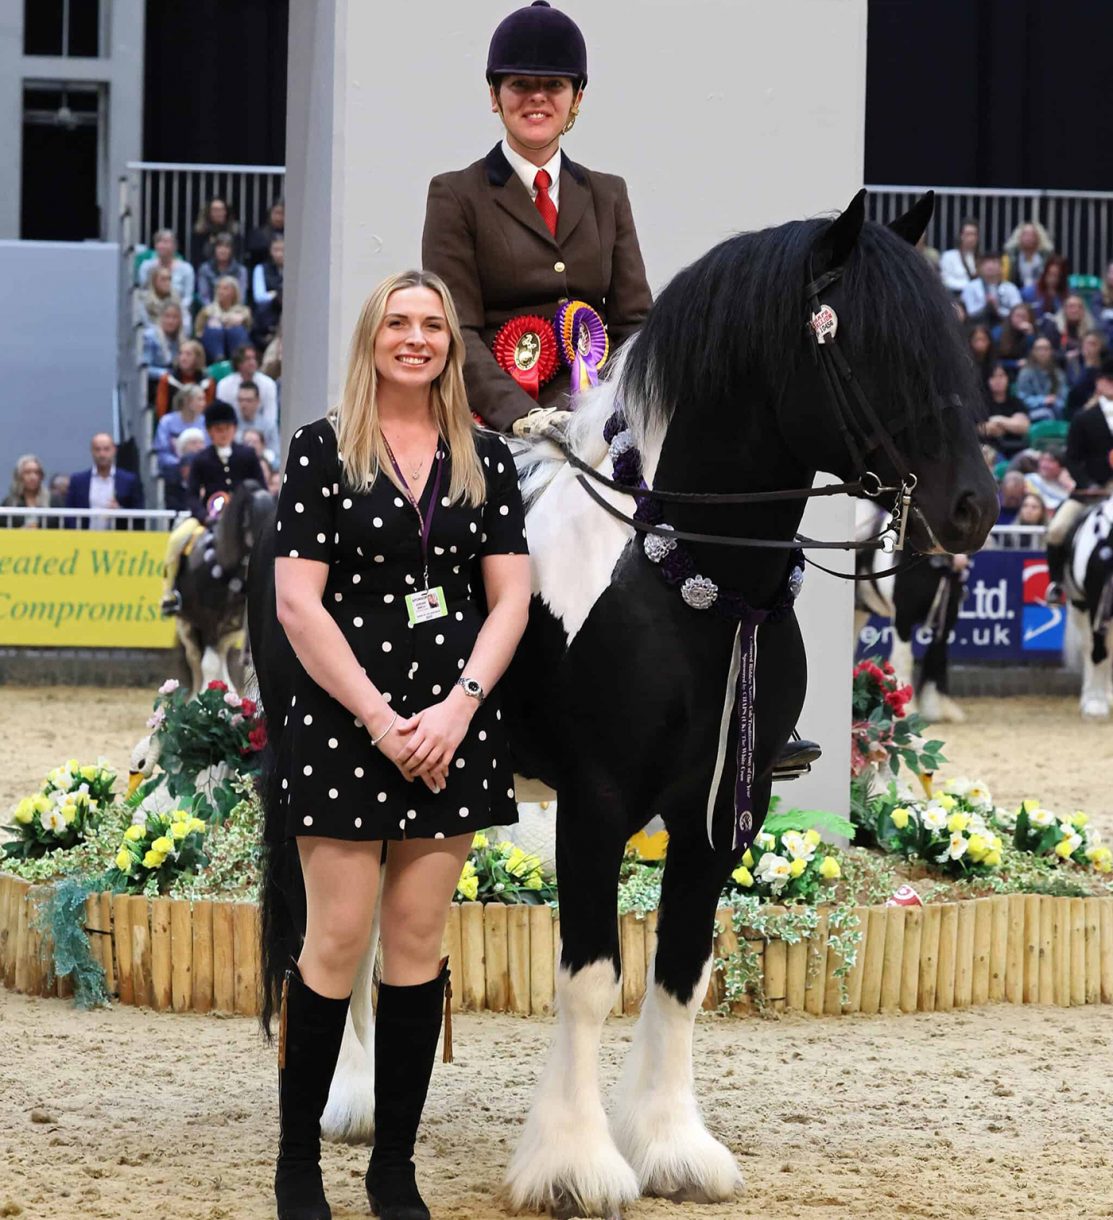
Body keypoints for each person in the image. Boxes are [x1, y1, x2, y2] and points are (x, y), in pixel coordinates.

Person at [269, 269, 530, 1220]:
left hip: (449, 730)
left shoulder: (486, 457)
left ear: (450, 345)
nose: (414, 338)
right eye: (397, 323)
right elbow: (298, 602)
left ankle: (395, 1169)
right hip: (349, 725)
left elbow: (509, 600)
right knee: (334, 940)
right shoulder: (320, 449)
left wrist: (458, 708)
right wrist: (381, 719)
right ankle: (298, 1166)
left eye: (431, 325)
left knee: (417, 945)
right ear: (371, 339)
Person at [421, 0, 652, 435]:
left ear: (576, 97)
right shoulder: (455, 194)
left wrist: (615, 408)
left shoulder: (608, 194)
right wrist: (523, 415)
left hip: (599, 419)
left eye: (554, 85)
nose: (537, 97)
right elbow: (458, 330)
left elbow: (634, 326)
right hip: (496, 423)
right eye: (520, 84)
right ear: (495, 95)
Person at [159, 400, 267, 614]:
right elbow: (190, 494)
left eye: (227, 428)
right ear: (210, 431)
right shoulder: (201, 459)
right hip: (209, 517)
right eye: (218, 430)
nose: (223, 433)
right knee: (176, 539)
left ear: (234, 428)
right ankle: (170, 593)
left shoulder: (247, 456)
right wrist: (202, 516)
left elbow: (260, 488)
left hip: (242, 519)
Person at [1045, 359, 1113, 604]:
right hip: (1091, 491)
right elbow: (1072, 459)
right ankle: (1056, 583)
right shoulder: (1083, 418)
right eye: (1109, 380)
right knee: (1056, 530)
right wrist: (1088, 483)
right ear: (1100, 383)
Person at [64, 433, 144, 530]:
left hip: (118, 541)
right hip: (84, 541)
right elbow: (69, 514)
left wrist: (120, 511)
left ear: (114, 450)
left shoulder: (129, 480)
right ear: (92, 451)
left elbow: (139, 514)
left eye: (106, 449)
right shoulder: (78, 481)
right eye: (97, 449)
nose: (102, 454)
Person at [216, 343, 280, 425]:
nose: (252, 362)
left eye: (253, 358)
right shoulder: (224, 385)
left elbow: (270, 416)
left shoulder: (268, 384)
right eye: (248, 359)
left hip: (261, 430)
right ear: (238, 363)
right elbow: (223, 415)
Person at [153, 384, 207, 481]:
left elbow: (209, 447)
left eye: (203, 399)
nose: (203, 403)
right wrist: (181, 464)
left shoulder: (205, 422)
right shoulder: (167, 421)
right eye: (199, 399)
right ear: (187, 401)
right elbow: (162, 452)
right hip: (174, 470)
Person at [194, 277, 253, 364]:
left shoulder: (244, 311)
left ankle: (238, 362)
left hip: (236, 344)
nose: (220, 292)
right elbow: (198, 332)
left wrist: (224, 322)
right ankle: (219, 360)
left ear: (234, 292)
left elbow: (249, 329)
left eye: (225, 288)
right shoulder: (207, 310)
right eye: (218, 288)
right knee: (214, 329)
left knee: (236, 330)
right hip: (211, 348)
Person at [155, 339, 215, 419]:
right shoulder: (167, 379)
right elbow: (161, 413)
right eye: (181, 354)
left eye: (188, 354)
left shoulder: (207, 382)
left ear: (198, 358)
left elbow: (208, 411)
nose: (183, 358)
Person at [980, 363, 1029, 458]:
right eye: (993, 376)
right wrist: (1010, 424)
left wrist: (998, 419)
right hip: (990, 449)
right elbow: (979, 428)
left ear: (1007, 378)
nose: (998, 380)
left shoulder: (1016, 402)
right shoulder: (981, 403)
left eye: (1001, 375)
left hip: (1017, 448)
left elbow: (1023, 426)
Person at [960, 251, 1022, 324]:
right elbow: (969, 312)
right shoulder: (970, 286)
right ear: (979, 268)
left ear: (1001, 268)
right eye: (986, 263)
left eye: (994, 262)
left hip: (1004, 325)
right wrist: (986, 305)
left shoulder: (1010, 287)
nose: (990, 266)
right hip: (977, 324)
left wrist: (998, 309)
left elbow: (1018, 311)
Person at [137, 228, 196, 305]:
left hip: (178, 311)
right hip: (152, 309)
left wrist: (177, 310)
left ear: (175, 246)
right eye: (158, 242)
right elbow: (144, 292)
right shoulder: (146, 266)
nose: (161, 245)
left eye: (166, 242)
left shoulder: (186, 268)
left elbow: (188, 297)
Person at [1015, 336, 1067, 421]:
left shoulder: (1058, 373)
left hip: (1055, 409)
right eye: (1039, 349)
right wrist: (1043, 400)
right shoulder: (1025, 373)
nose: (1042, 352)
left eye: (1046, 349)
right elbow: (1022, 398)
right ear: (1033, 352)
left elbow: (1063, 397)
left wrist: (1055, 401)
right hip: (1031, 411)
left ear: (1051, 351)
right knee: (1047, 414)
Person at [143, 300, 186, 395]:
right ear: (161, 318)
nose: (171, 321)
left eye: (175, 317)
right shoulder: (150, 337)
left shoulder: (181, 339)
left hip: (175, 379)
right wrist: (165, 374)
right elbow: (145, 370)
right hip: (155, 383)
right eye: (167, 317)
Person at [1065, 329, 1108, 418]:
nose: (1088, 347)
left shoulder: (1106, 365)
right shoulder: (1075, 363)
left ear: (1100, 347)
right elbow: (1075, 390)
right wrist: (1089, 367)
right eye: (1086, 343)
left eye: (1093, 344)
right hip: (1079, 406)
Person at [196, 232, 248, 306]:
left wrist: (232, 312)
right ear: (214, 249)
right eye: (219, 246)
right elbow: (204, 297)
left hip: (235, 311)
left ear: (232, 250)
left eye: (227, 247)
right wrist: (215, 311)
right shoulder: (205, 269)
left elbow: (241, 297)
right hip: (211, 311)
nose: (223, 250)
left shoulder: (241, 270)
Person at [251, 235, 284, 348]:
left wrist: (272, 293)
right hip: (268, 314)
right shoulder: (261, 269)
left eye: (283, 250)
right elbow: (259, 297)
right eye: (276, 250)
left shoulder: (295, 271)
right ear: (270, 251)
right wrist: (276, 294)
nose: (279, 254)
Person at [164, 427, 207, 513]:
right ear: (182, 446)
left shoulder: (211, 468)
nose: (199, 447)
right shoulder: (173, 475)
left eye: (201, 443)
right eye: (193, 443)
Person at [1, 454, 51, 528]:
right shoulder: (9, 502)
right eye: (27, 472)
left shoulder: (53, 500)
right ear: (19, 476)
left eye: (37, 472)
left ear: (41, 476)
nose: (33, 477)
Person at [190, 197, 241, 268]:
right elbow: (196, 258)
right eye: (215, 210)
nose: (218, 213)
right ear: (209, 212)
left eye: (221, 209)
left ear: (226, 212)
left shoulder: (234, 231)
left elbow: (238, 256)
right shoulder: (200, 232)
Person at [234, 380, 279, 458]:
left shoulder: (269, 426)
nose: (244, 404)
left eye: (248, 400)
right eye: (241, 400)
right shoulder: (232, 425)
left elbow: (276, 456)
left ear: (257, 401)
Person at [992, 303, 1037, 378]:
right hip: (1004, 371)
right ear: (1011, 317)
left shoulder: (1032, 332)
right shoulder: (998, 333)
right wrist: (1015, 364)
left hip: (1026, 371)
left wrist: (1030, 336)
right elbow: (993, 360)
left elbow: (1033, 356)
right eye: (1017, 316)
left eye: (1024, 317)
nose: (1020, 319)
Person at [1004, 220, 1052, 289]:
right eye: (1025, 234)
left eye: (1032, 235)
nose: (1028, 238)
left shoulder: (1047, 257)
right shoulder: (1011, 257)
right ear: (1019, 237)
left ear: (1038, 237)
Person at [1025, 446, 1074, 511]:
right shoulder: (1030, 479)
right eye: (1042, 460)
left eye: (1050, 461)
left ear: (1061, 466)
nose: (1044, 464)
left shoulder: (1068, 486)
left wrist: (1068, 484)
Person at [1023, 253, 1068, 322]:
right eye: (1050, 274)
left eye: (1057, 276)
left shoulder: (1068, 295)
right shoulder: (1029, 292)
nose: (1052, 279)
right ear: (1044, 273)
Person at [1052, 294, 1097, 362]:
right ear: (1064, 309)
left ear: (1084, 310)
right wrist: (1064, 356)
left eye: (1079, 307)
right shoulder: (1054, 326)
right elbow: (1049, 353)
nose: (1075, 310)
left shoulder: (1091, 328)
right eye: (1071, 306)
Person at [939, 218, 980, 293]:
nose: (971, 238)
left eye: (974, 234)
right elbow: (946, 280)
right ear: (961, 236)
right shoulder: (948, 256)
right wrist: (970, 287)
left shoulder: (980, 258)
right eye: (968, 234)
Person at [247, 198, 284, 267]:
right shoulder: (258, 233)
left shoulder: (292, 235)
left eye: (282, 213)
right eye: (276, 213)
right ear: (270, 213)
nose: (279, 217)